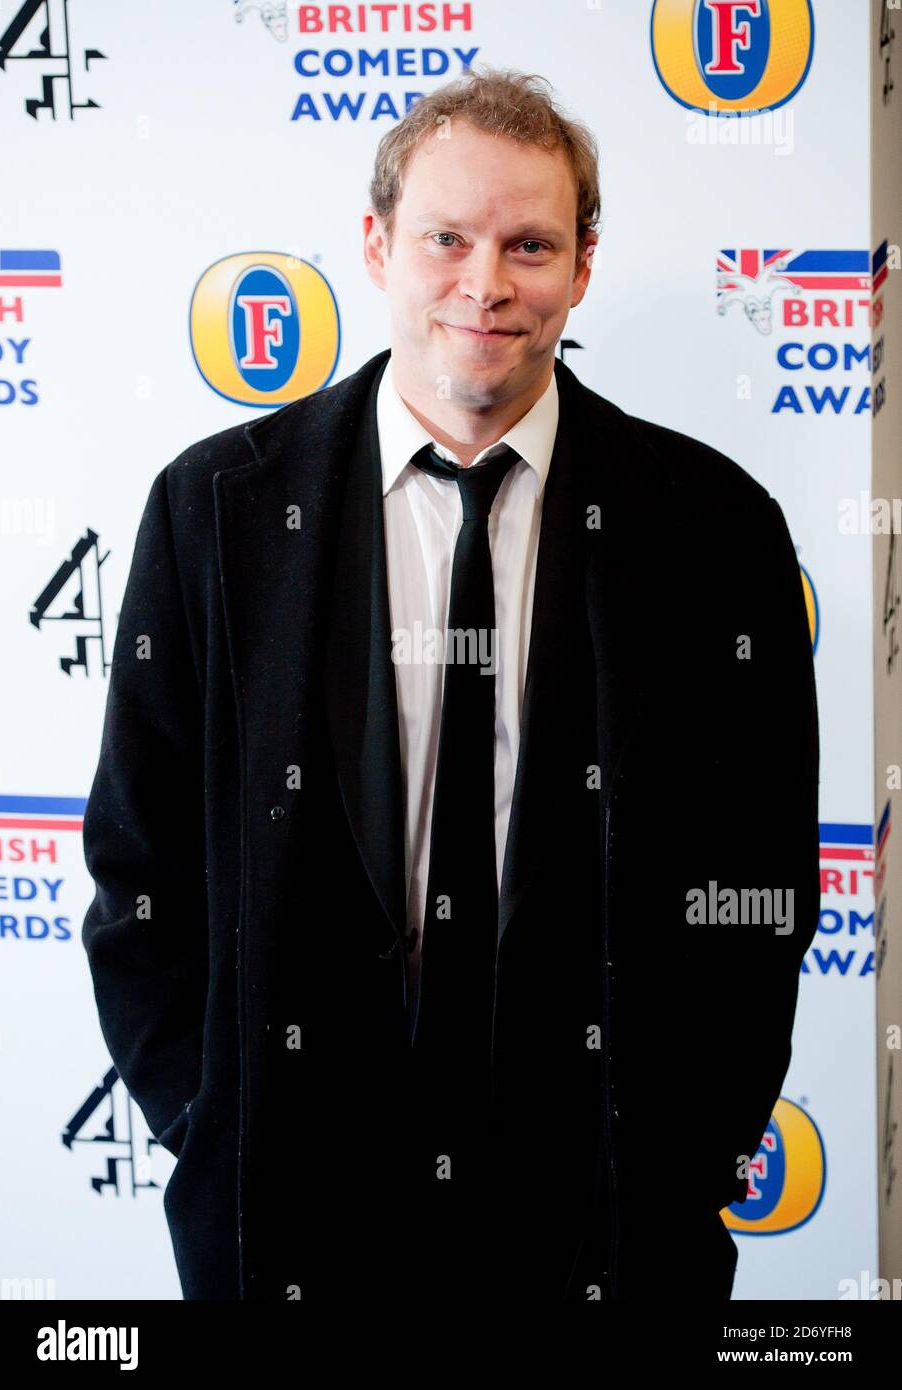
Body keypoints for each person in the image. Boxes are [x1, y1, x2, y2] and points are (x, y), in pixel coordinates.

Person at [81, 67, 820, 1302]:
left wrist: (684, 1156)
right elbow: (141, 865)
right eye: (447, 238)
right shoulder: (214, 510)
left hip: (603, 1224)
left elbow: (756, 882)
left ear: (583, 266)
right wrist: (212, 1122)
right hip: (293, 1216)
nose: (486, 283)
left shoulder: (713, 527)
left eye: (530, 243)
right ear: (376, 246)